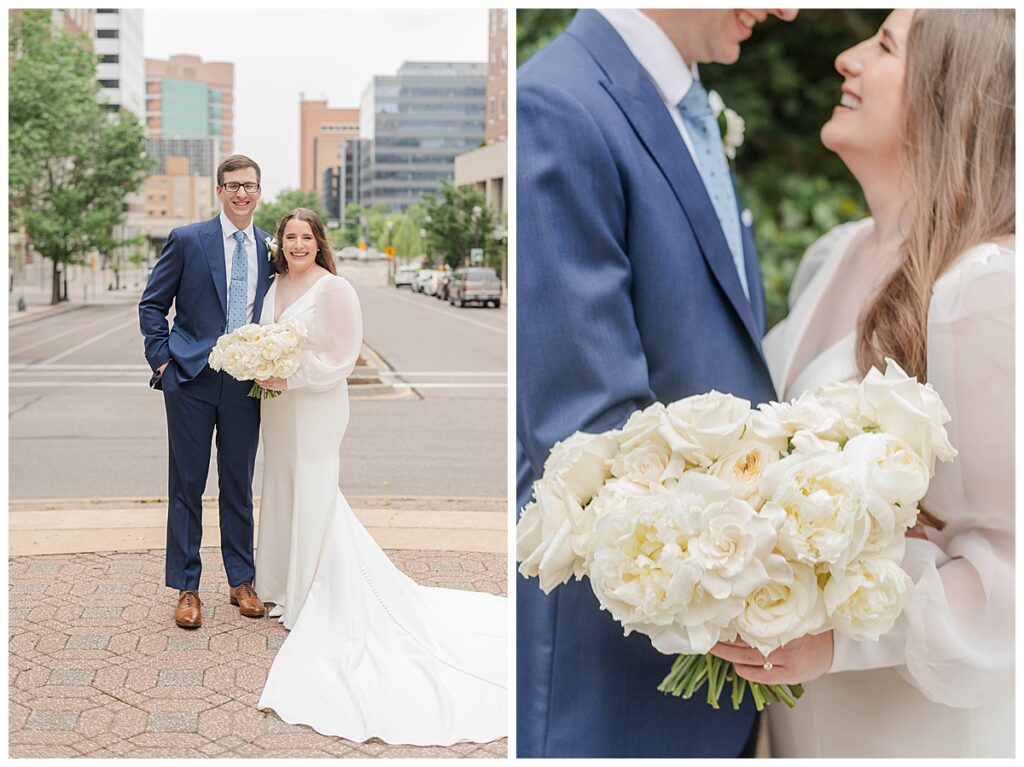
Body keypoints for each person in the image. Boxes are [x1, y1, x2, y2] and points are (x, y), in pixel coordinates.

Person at [710, 9, 1014, 757]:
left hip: (911, 729)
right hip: (802, 720)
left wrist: (839, 633)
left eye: (883, 46)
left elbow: (1011, 568)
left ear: (952, 94)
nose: (847, 58)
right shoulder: (834, 254)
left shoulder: (985, 291)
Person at [516, 9, 796, 757]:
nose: (789, 11)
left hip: (712, 665)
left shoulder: (692, 111)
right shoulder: (558, 106)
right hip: (615, 676)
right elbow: (590, 436)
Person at [251, 209, 507, 745]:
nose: (297, 245)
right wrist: (260, 367)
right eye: (289, 237)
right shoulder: (273, 285)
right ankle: (281, 584)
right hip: (276, 404)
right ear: (280, 243)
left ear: (319, 242)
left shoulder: (336, 289)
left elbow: (342, 357)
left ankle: (313, 590)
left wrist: (290, 376)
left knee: (314, 486)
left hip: (315, 402)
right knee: (281, 484)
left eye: (305, 237)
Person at [139, 155, 275, 629]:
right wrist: (163, 361)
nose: (242, 194)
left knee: (238, 485)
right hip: (191, 380)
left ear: (259, 192)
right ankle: (187, 588)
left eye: (249, 186)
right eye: (233, 185)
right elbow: (152, 305)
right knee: (187, 486)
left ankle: (242, 581)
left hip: (245, 384)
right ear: (219, 191)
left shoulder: (271, 249)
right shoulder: (187, 240)